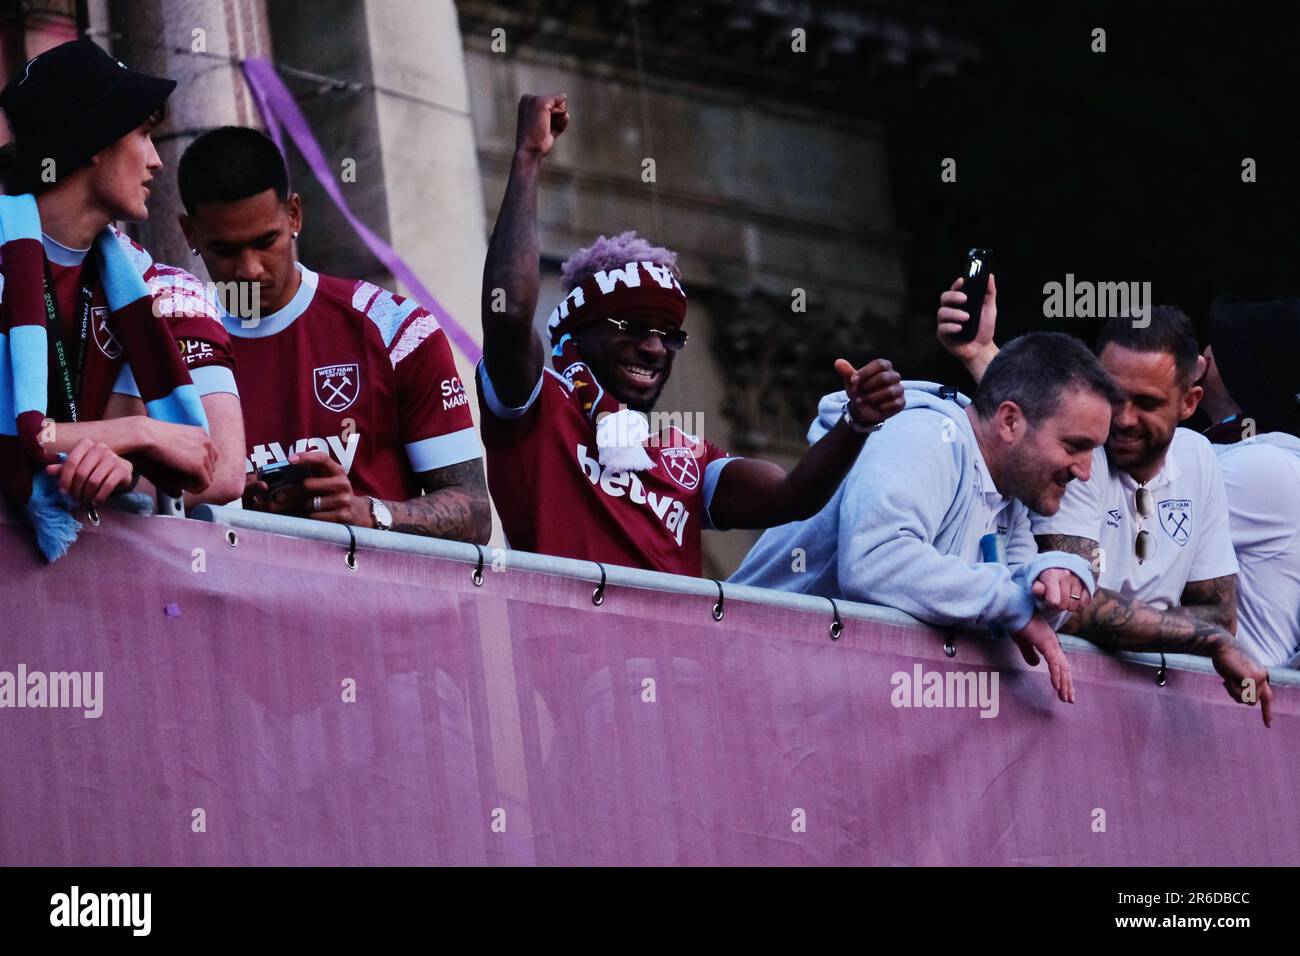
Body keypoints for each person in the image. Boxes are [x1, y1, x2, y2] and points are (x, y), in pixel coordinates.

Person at [477, 93, 906, 575]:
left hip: (672, 655)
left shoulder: (683, 454)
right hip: (557, 648)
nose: (656, 346)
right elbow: (510, 312)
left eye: (670, 335)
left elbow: (792, 496)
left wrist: (857, 423)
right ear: (580, 331)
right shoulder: (537, 409)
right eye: (635, 327)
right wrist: (528, 158)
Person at [935, 275, 1272, 725]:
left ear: (1189, 402)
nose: (1124, 419)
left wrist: (1188, 632)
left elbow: (1220, 614)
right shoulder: (1078, 454)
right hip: (1047, 700)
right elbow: (1072, 609)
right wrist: (1200, 637)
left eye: (1148, 402)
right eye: (1113, 396)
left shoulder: (1200, 457)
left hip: (1146, 715)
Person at [732, 332, 1119, 703]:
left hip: (809, 694)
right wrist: (1007, 598)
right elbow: (874, 561)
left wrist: (1049, 581)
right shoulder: (926, 436)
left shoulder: (1010, 493)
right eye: (1074, 446)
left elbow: (1012, 608)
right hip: (742, 677)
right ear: (1010, 422)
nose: (1085, 472)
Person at [175, 126, 490, 542]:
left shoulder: (396, 329)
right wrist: (228, 504)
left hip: (379, 605)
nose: (249, 269)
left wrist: (367, 513)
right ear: (190, 234)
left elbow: (475, 514)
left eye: (264, 241)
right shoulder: (170, 342)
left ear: (294, 215)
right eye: (225, 250)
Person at [0, 39, 243, 561]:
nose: (157, 161)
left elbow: (219, 469)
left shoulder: (152, 286)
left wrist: (124, 465)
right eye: (143, 133)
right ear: (94, 139)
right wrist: (136, 433)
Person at [1198, 295, 1300, 668]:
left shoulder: (1265, 467)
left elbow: (1128, 522)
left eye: (1221, 343)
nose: (1202, 350)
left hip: (1232, 711)